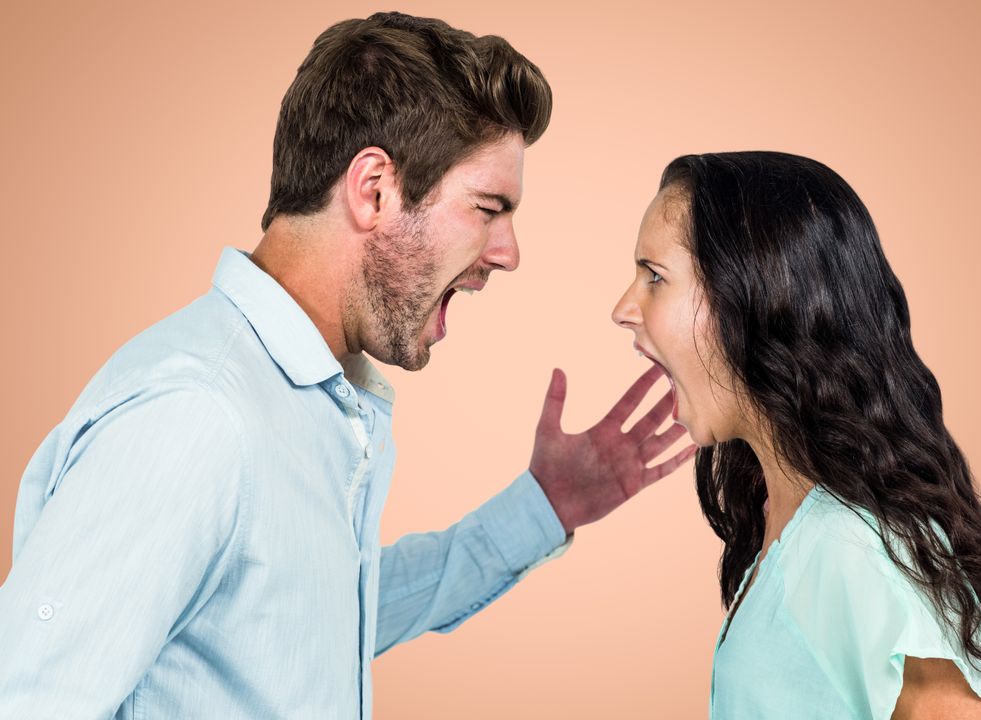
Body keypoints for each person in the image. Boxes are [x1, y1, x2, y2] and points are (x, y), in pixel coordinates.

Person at [0, 13, 695, 718]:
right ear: (374, 190)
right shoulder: (197, 416)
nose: (509, 252)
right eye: (488, 207)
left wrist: (543, 510)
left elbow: (307, 628)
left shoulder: (307, 402)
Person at [612, 152, 981, 719]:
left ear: (755, 295)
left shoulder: (849, 548)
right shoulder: (794, 536)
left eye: (655, 277)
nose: (624, 309)